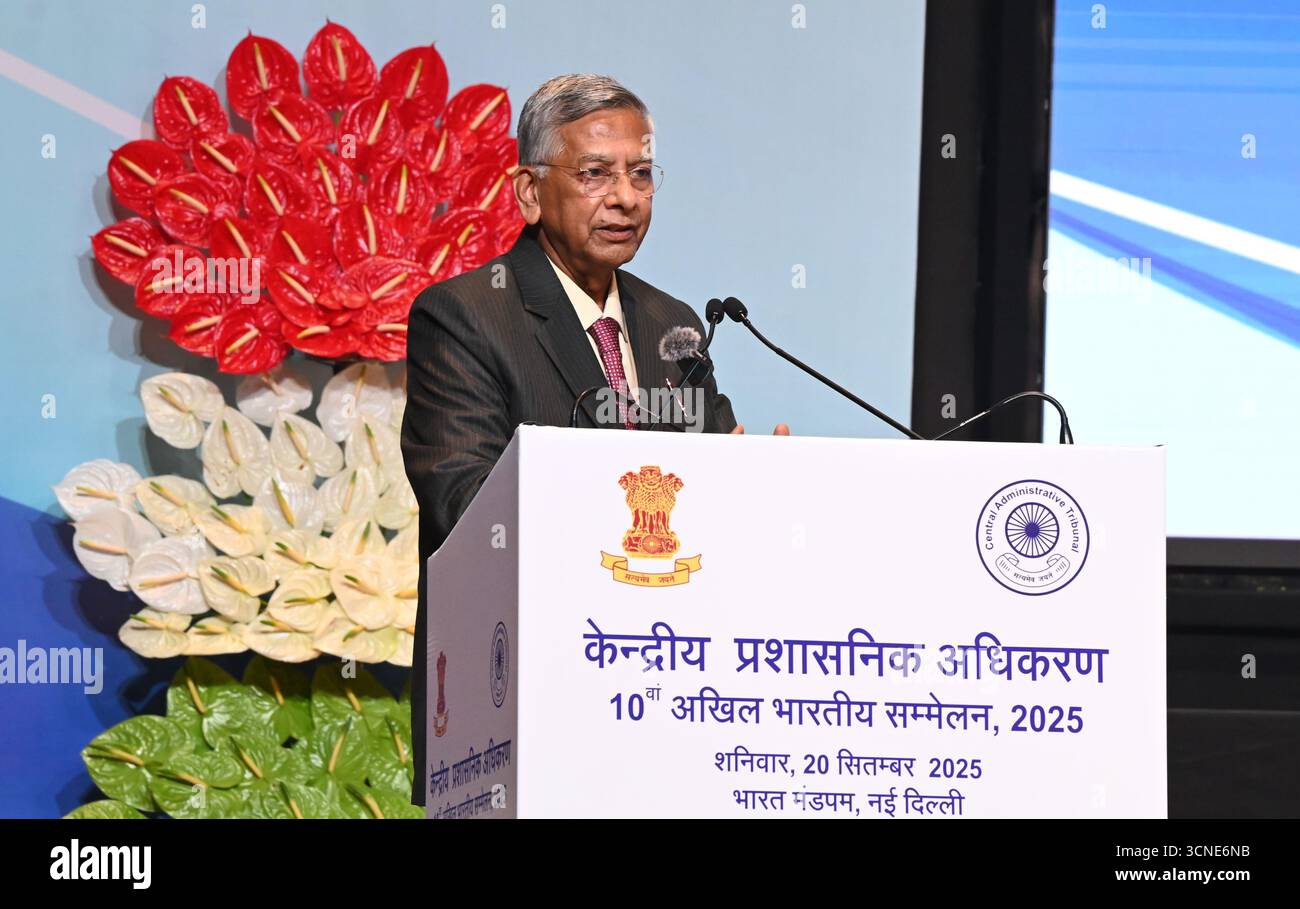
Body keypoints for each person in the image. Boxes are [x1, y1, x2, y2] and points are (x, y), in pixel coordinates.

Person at [401, 73, 787, 806]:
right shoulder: (464, 317)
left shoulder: (674, 325)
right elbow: (465, 504)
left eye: (642, 174)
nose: (626, 197)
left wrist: (752, 482)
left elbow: (709, 482)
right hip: (516, 704)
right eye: (596, 174)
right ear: (527, 191)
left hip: (670, 701)